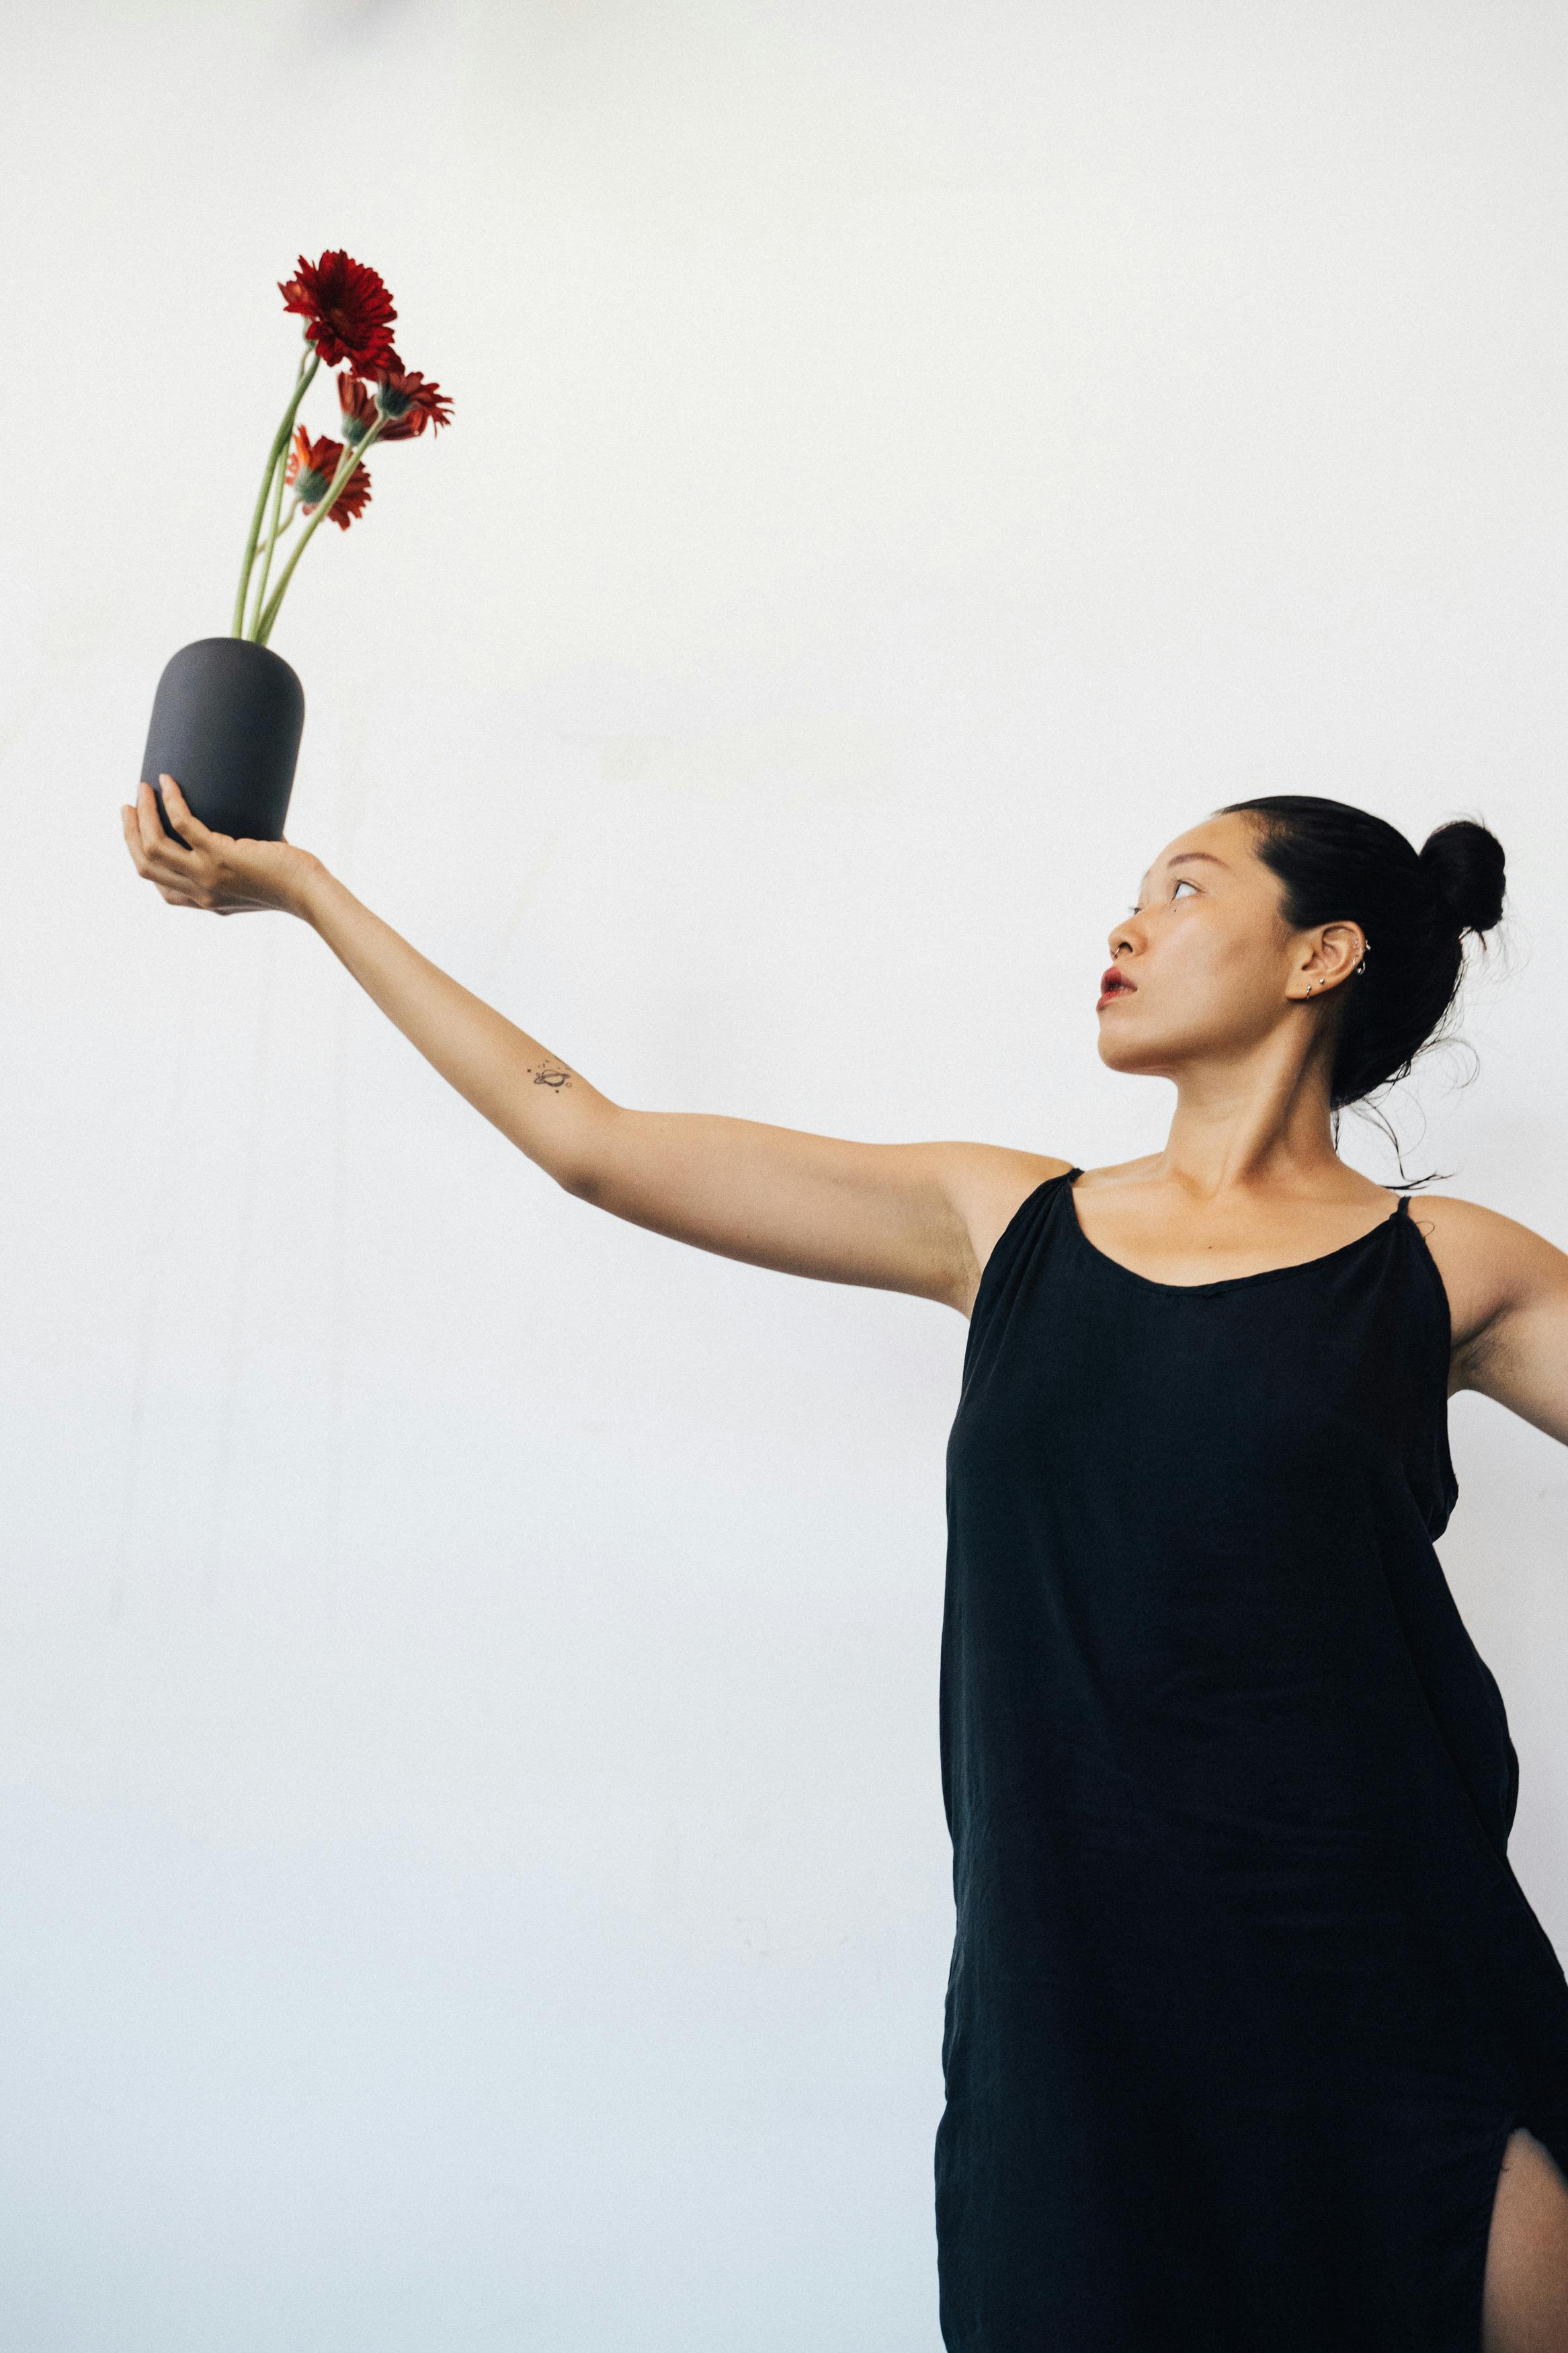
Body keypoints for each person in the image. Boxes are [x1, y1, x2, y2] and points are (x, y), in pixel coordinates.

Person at [122, 776, 1568, 2350]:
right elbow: (588, 1138)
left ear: (1321, 954)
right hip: (1076, 2040)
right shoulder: (1004, 1223)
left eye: (1189, 886)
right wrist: (311, 892)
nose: (1128, 921)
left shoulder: (1454, 1269)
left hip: (1396, 2017)